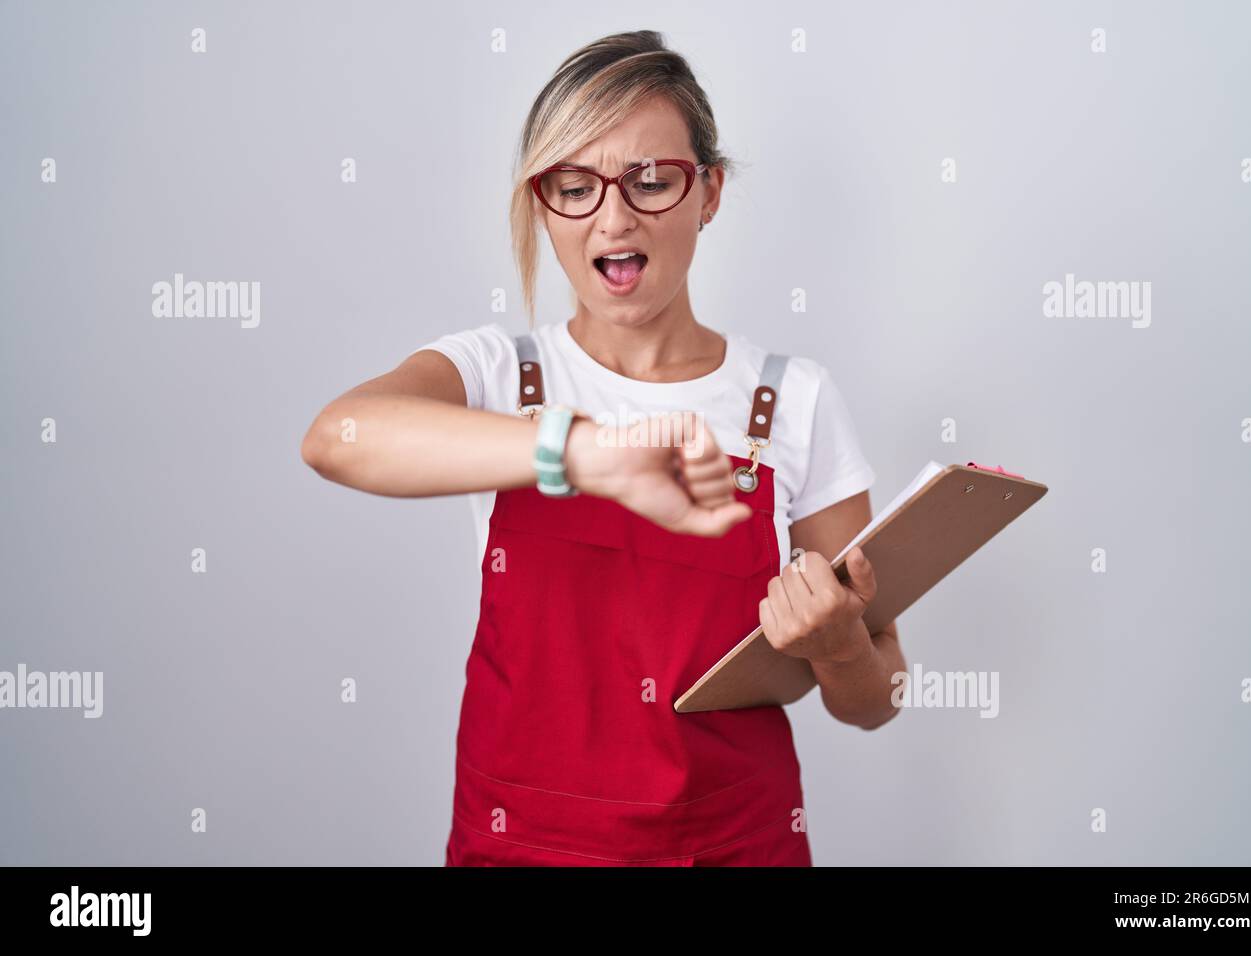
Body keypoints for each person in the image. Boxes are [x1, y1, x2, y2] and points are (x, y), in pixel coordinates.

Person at [300, 30, 905, 867]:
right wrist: (582, 454)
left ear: (710, 192)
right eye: (575, 187)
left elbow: (881, 695)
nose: (613, 218)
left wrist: (839, 647)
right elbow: (338, 438)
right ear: (543, 204)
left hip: (737, 843)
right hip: (522, 844)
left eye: (652, 182)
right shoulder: (499, 375)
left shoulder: (792, 399)